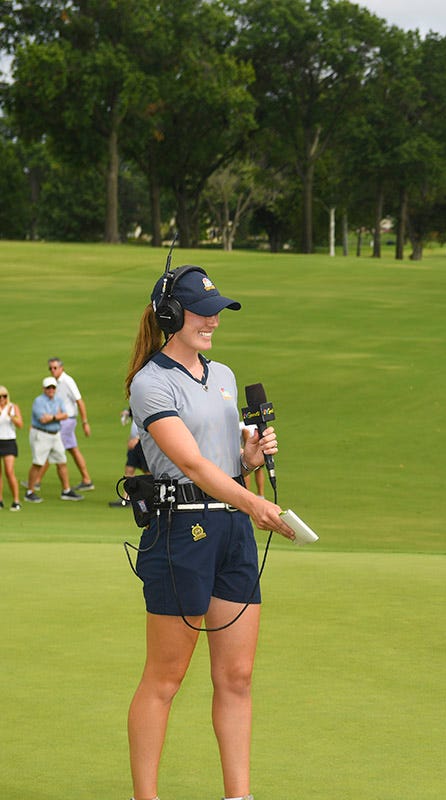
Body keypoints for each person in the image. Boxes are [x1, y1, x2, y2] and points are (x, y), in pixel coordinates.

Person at [125, 264, 294, 800]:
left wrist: (247, 459)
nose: (212, 321)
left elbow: (222, 463)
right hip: (181, 533)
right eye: (201, 311)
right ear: (170, 315)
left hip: (232, 533)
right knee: (166, 678)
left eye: (216, 312)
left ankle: (238, 796)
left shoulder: (220, 377)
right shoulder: (150, 382)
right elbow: (193, 465)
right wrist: (255, 503)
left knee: (237, 677)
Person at [25, 376, 83, 503]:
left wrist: (52, 417)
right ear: (44, 389)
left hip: (55, 434)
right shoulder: (39, 401)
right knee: (38, 463)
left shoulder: (58, 400)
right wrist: (57, 416)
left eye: (53, 387)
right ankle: (30, 491)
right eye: (48, 388)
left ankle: (66, 490)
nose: (51, 390)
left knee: (61, 461)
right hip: (41, 434)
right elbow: (42, 419)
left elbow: (65, 414)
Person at [47, 356, 95, 492]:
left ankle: (35, 482)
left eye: (55, 368)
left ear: (61, 368)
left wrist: (85, 422)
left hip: (67, 420)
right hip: (62, 420)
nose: (52, 370)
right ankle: (87, 480)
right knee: (73, 449)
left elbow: (79, 401)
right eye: (50, 368)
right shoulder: (54, 383)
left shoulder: (67, 381)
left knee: (51, 446)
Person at [110, 409, 150, 508]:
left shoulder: (147, 403)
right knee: (129, 469)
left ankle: (152, 496)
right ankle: (127, 498)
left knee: (148, 472)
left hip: (143, 443)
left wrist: (138, 438)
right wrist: (128, 412)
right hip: (134, 444)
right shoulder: (136, 400)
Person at [0, 385, 23, 510]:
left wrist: (11, 416)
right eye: (0, 396)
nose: (2, 399)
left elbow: (20, 424)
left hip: (9, 441)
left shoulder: (12, 407)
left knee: (9, 471)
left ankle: (16, 500)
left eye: (4, 396)